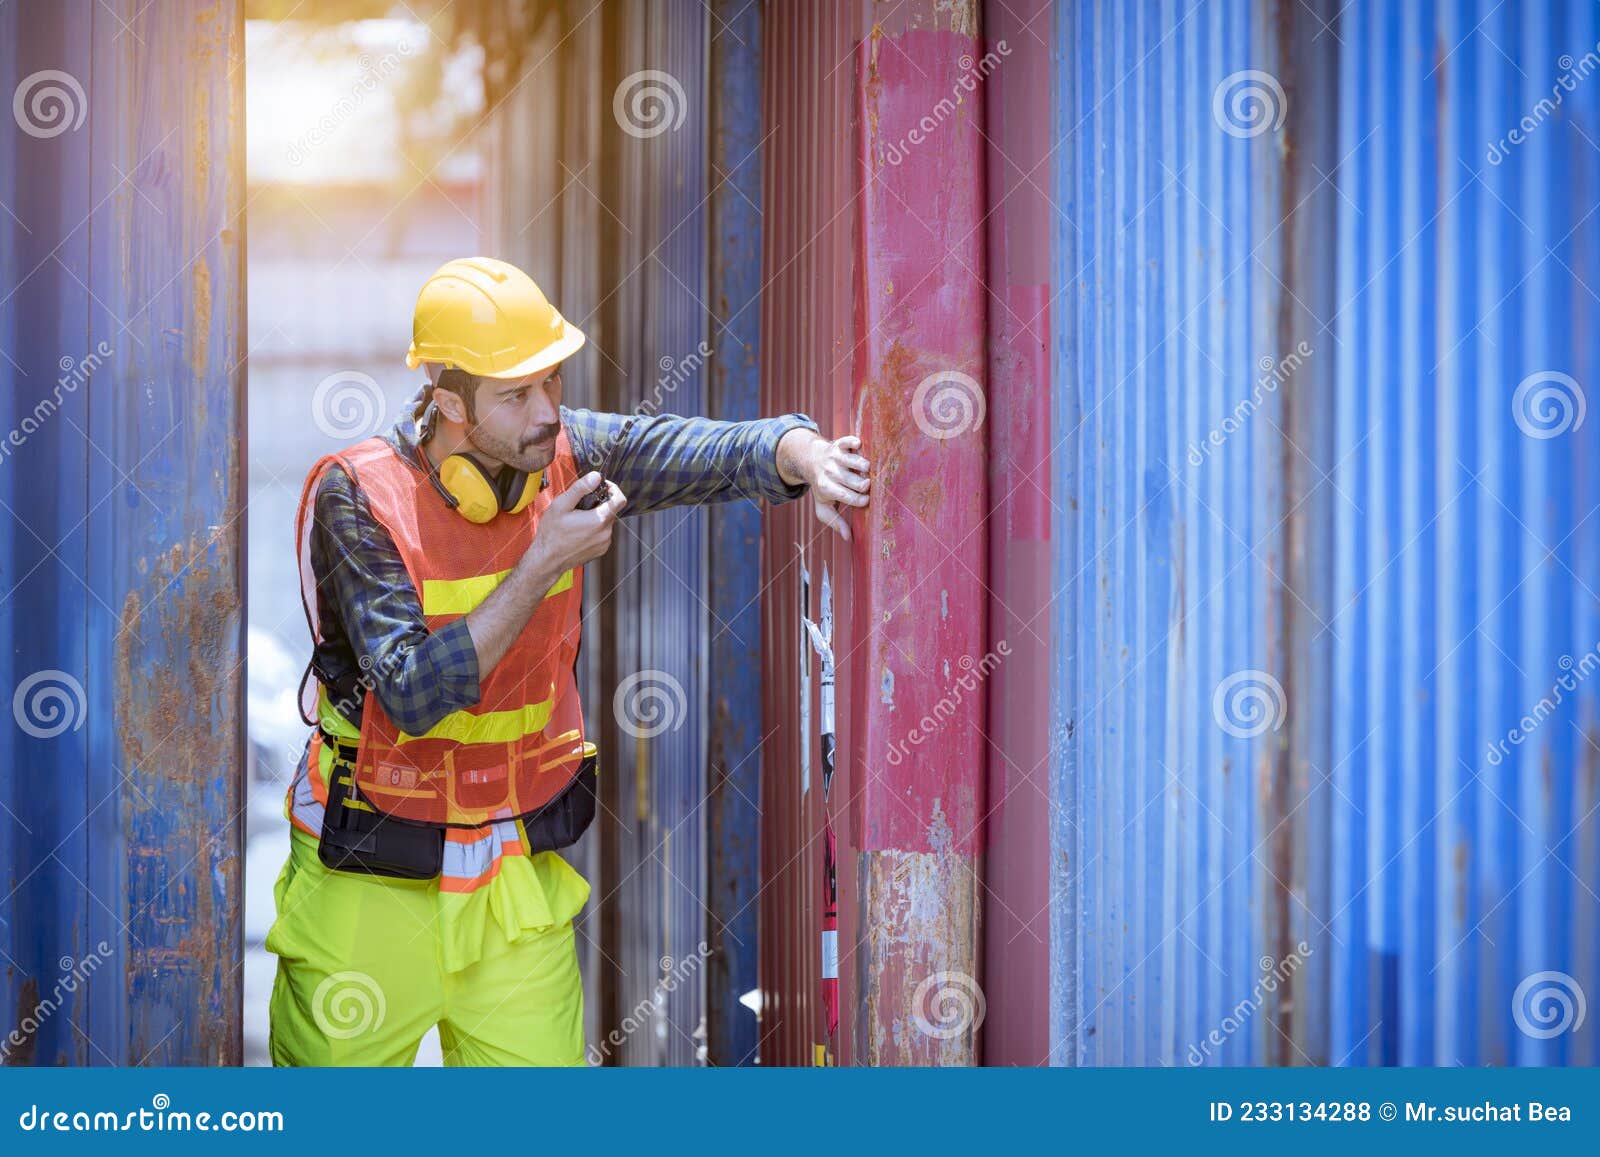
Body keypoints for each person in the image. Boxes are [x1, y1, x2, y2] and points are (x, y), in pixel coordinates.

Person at [266, 256, 871, 1065]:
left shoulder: (560, 452)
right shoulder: (359, 498)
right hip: (368, 878)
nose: (547, 411)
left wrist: (802, 452)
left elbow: (689, 451)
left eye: (551, 381)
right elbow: (411, 692)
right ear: (450, 400)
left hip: (510, 882)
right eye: (516, 394)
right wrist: (543, 560)